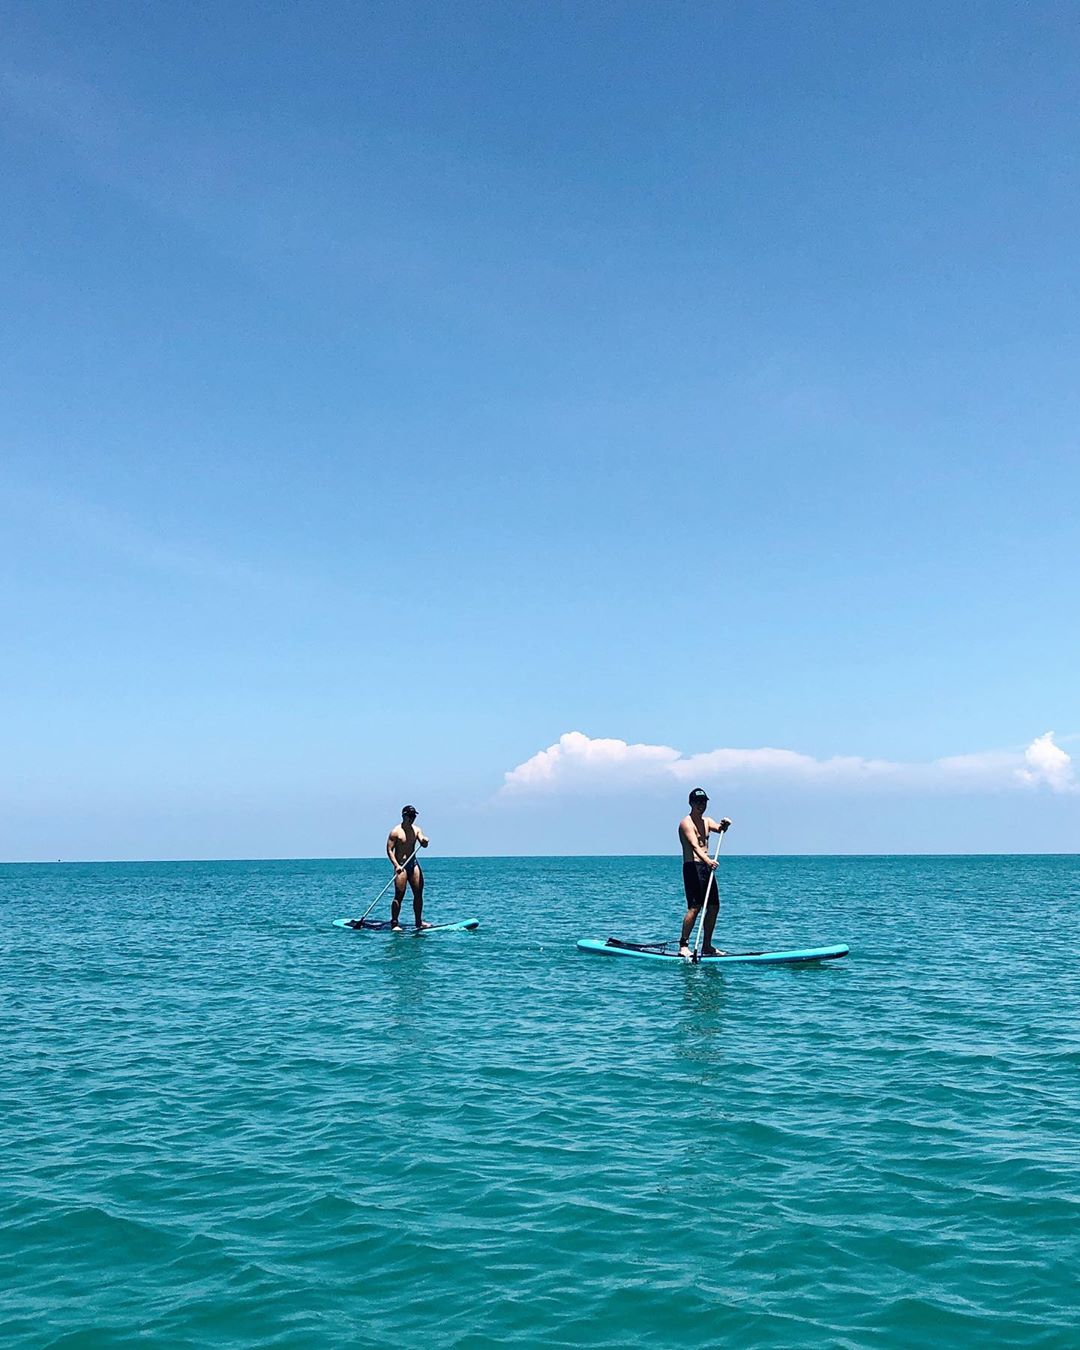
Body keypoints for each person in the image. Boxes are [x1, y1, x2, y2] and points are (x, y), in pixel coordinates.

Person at [678, 788, 731, 957]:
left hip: (707, 868)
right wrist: (708, 861)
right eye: (698, 802)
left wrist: (725, 825)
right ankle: (683, 946)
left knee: (714, 906)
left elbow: (719, 829)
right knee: (695, 907)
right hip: (693, 867)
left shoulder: (707, 821)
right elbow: (694, 845)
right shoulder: (686, 823)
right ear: (691, 803)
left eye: (704, 802)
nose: (701, 805)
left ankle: (706, 945)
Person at [387, 805, 430, 931]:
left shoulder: (416, 830)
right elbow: (389, 850)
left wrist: (424, 841)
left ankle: (418, 922)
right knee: (399, 894)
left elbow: (422, 840)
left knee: (418, 893)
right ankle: (394, 923)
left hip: (413, 864)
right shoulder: (395, 832)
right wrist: (396, 865)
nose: (412, 819)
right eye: (410, 816)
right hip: (401, 865)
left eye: (414, 816)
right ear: (404, 816)